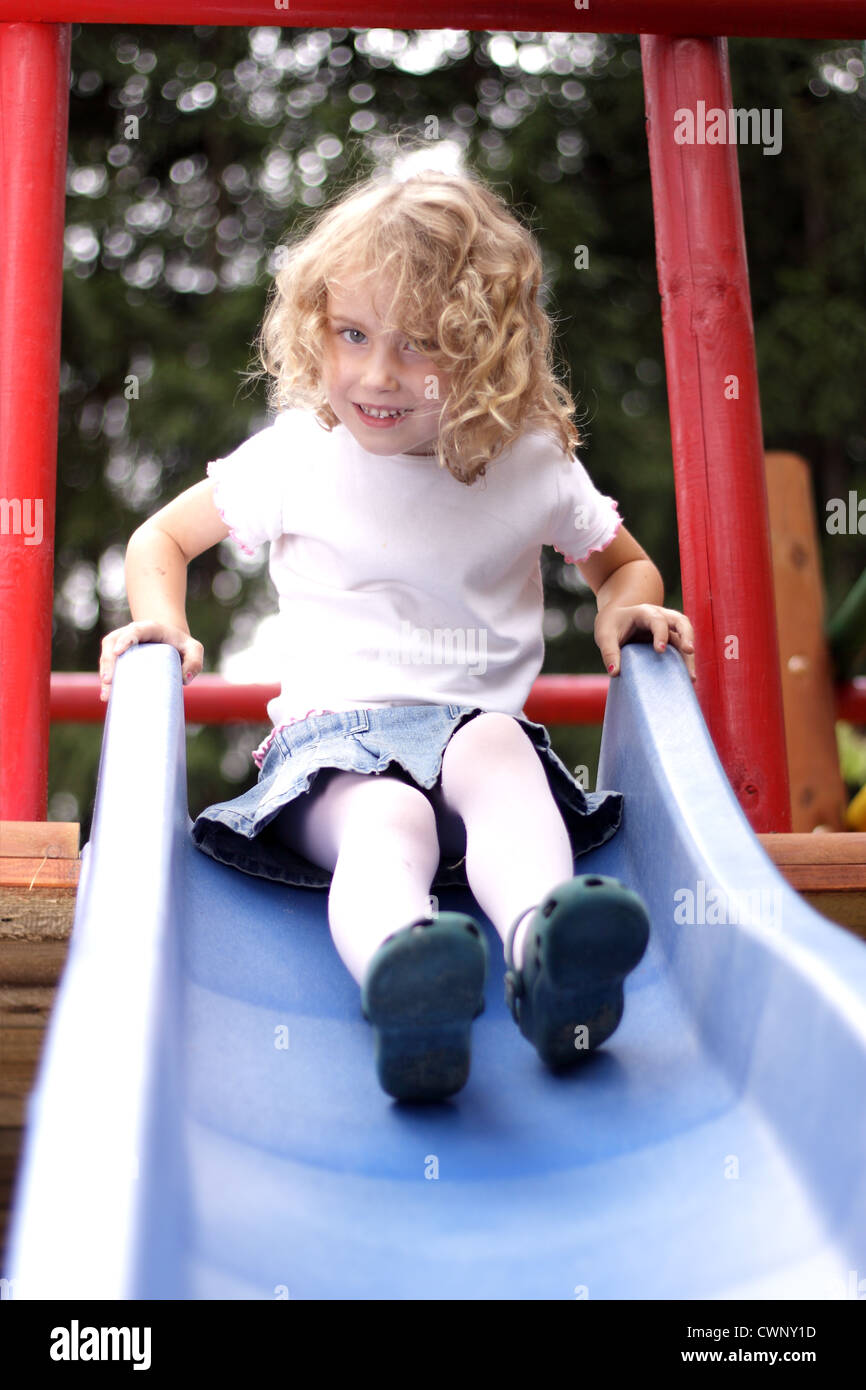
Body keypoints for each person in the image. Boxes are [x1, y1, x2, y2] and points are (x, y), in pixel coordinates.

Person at [98, 166, 696, 1104]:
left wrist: (627, 602)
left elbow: (621, 562)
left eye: (423, 347)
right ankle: (408, 980)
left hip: (469, 732)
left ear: (488, 350)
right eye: (352, 333)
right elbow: (163, 538)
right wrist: (161, 626)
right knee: (388, 819)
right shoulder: (301, 454)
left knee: (500, 745)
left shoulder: (528, 464)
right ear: (316, 328)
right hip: (331, 750)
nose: (377, 374)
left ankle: (549, 954)